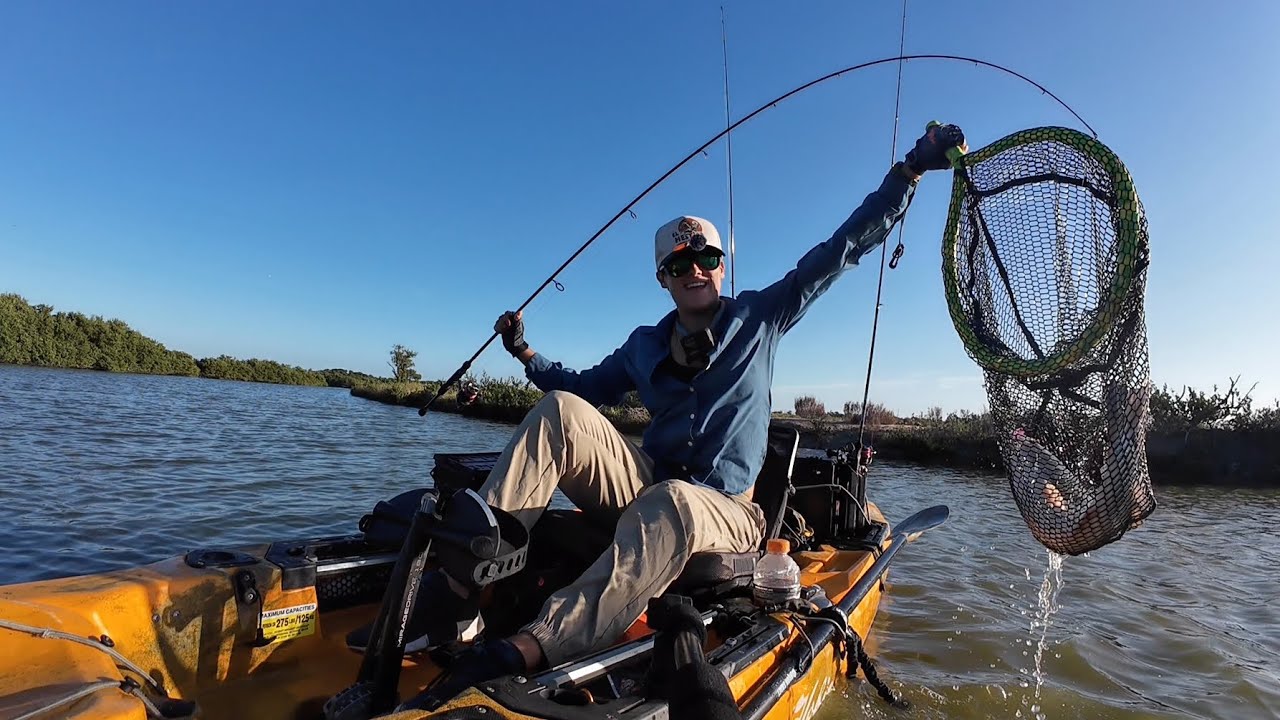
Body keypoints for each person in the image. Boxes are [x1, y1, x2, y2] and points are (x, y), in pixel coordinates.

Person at [353, 122, 968, 709]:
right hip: (651, 485)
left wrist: (909, 170)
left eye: (706, 257)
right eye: (679, 263)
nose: (694, 268)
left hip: (728, 512)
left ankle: (534, 643)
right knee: (561, 411)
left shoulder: (761, 316)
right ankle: (464, 591)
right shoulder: (644, 344)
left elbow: (842, 247)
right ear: (663, 279)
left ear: (721, 266)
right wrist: (525, 353)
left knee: (673, 498)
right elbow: (581, 388)